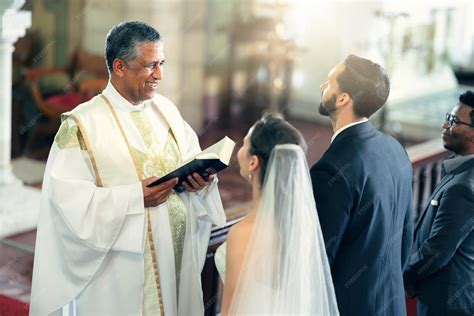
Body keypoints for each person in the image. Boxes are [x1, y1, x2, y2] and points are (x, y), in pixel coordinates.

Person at [29, 21, 226, 315]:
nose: (159, 75)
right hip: (119, 276)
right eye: (149, 66)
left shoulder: (167, 111)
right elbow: (67, 207)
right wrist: (136, 198)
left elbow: (191, 159)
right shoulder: (82, 126)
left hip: (174, 259)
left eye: (161, 63)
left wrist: (201, 183)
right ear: (119, 67)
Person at [310, 54, 413, 315]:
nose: (323, 85)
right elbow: (405, 240)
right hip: (392, 305)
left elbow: (318, 262)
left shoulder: (331, 169)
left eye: (330, 82)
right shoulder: (395, 149)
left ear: (344, 98)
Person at [214, 114, 339, 315]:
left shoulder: (243, 233)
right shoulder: (303, 226)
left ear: (254, 162)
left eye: (245, 143)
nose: (240, 148)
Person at [403, 91, 474, 316]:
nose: (445, 124)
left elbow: (436, 252)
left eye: (453, 121)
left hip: (446, 305)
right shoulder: (460, 170)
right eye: (447, 116)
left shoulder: (462, 188)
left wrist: (406, 276)